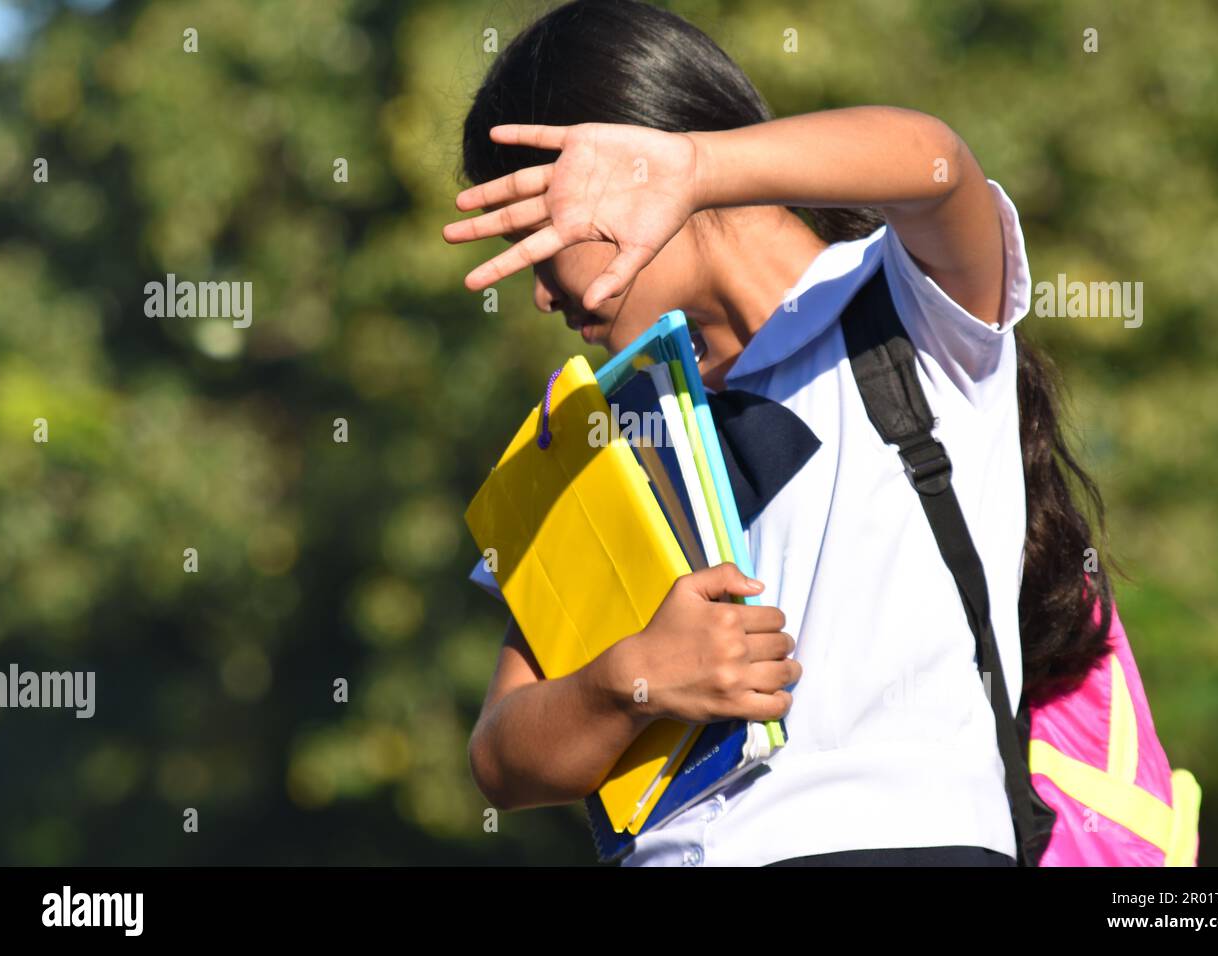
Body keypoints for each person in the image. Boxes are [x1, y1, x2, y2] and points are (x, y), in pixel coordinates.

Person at [444, 0, 1113, 866]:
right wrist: (632, 680)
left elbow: (940, 163)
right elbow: (501, 756)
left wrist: (696, 166)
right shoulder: (599, 433)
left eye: (542, 233)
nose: (540, 290)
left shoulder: (908, 309)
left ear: (641, 160)